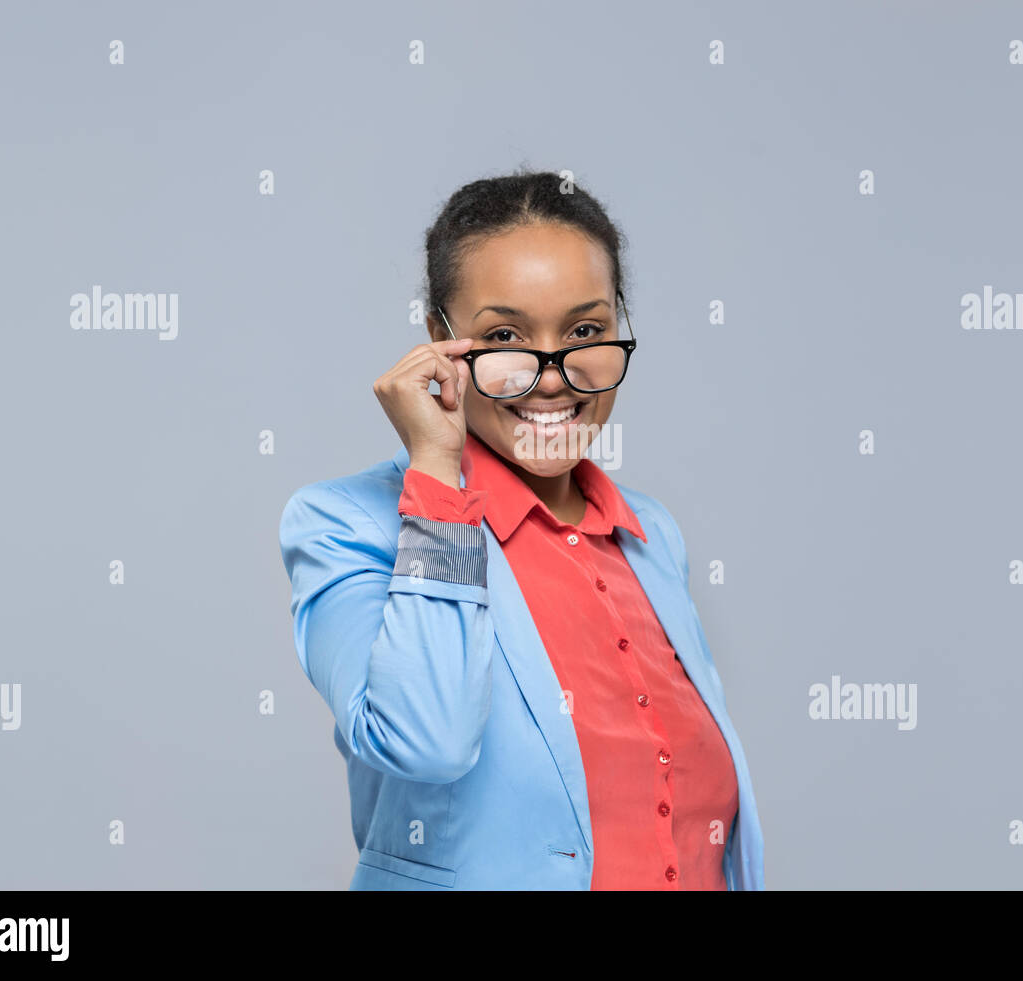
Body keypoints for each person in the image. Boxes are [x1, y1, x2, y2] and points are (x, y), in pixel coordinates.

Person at [279, 170, 764, 889]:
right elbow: (427, 741)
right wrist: (438, 473)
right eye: (504, 336)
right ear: (437, 341)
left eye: (585, 330)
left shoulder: (651, 536)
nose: (551, 376)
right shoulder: (348, 525)